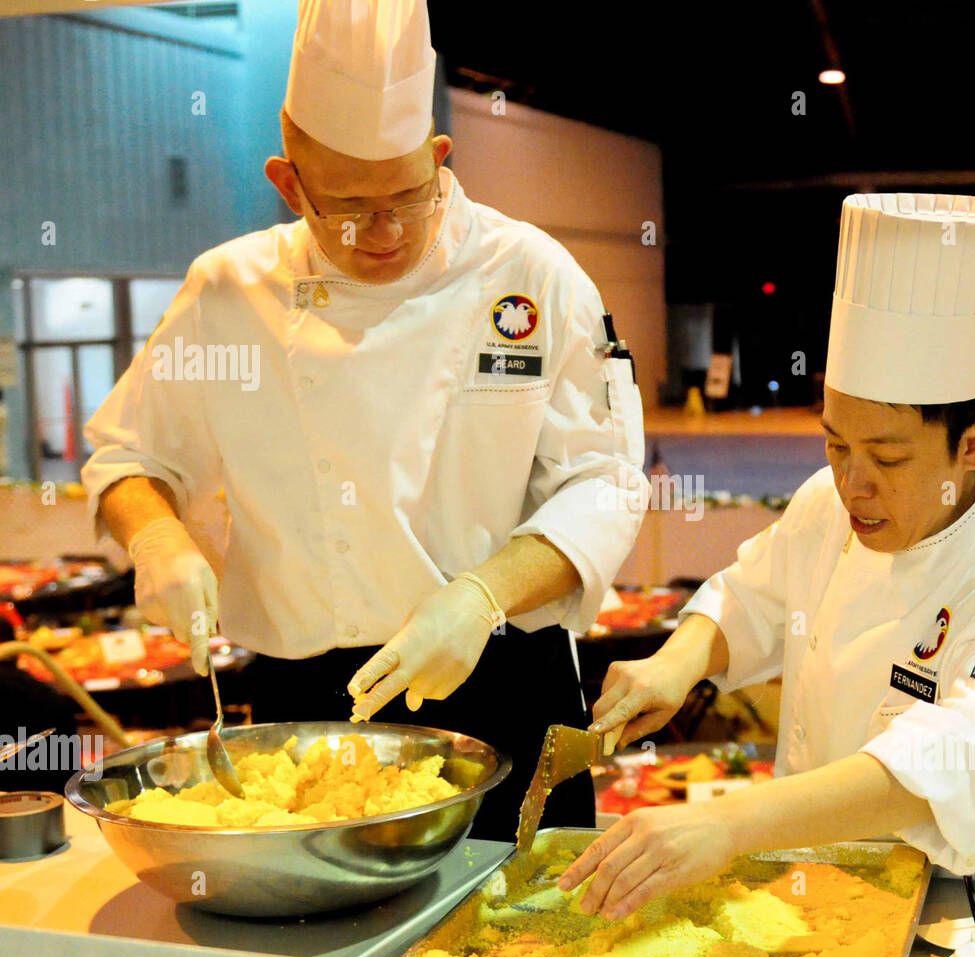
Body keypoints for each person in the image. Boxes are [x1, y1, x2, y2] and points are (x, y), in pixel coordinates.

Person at [80, 0, 648, 841]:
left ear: (440, 157)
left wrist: (481, 594)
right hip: (306, 714)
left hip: (501, 680)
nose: (383, 232)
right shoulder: (229, 291)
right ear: (288, 182)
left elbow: (603, 482)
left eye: (408, 198)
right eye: (348, 206)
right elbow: (128, 454)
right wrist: (157, 539)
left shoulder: (529, 273)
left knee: (527, 944)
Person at [557, 192, 975, 920]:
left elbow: (960, 760)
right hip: (842, 880)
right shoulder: (831, 500)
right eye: (836, 444)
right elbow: (754, 593)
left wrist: (728, 822)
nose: (851, 484)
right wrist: (671, 666)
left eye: (887, 458)